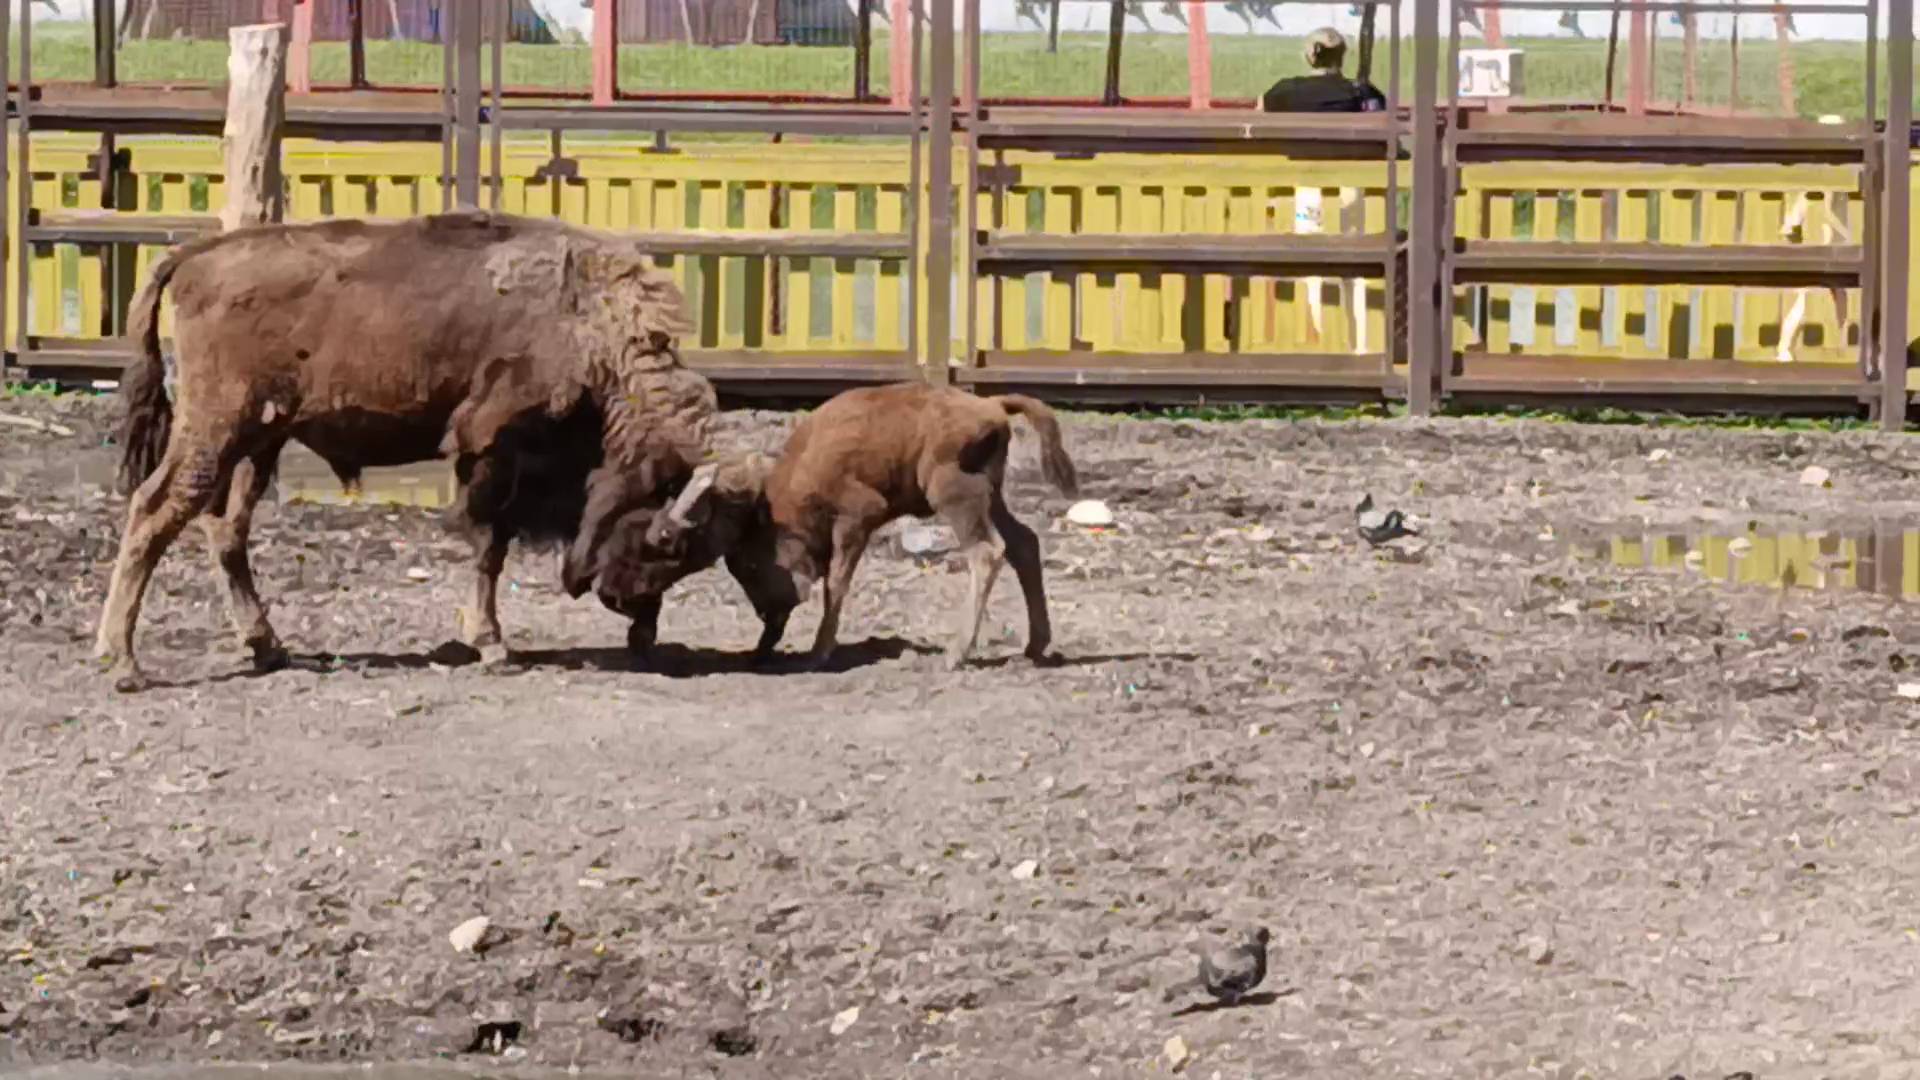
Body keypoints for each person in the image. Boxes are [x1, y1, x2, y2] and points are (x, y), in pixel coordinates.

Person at [1261, 27, 1387, 114]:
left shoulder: (1283, 90)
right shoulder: (1364, 93)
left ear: (1309, 57)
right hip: (1351, 154)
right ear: (1341, 56)